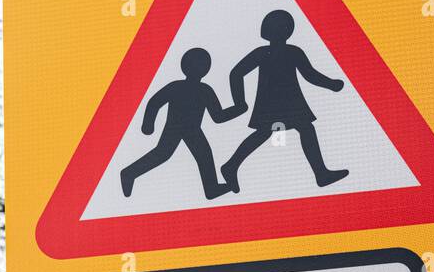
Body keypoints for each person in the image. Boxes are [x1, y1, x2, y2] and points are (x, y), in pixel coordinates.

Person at [221, 10, 349, 192]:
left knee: (292, 130)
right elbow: (236, 73)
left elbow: (309, 75)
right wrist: (240, 102)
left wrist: (331, 84)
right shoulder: (278, 52)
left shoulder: (285, 52)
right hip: (280, 103)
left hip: (287, 102)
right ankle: (231, 166)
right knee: (284, 131)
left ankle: (231, 166)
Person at [120, 48, 240, 200]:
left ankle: (211, 188)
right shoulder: (186, 87)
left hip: (191, 130)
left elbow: (218, 116)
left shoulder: (202, 90)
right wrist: (148, 124)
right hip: (175, 128)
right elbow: (155, 102)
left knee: (202, 155)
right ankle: (129, 173)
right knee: (164, 154)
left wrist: (237, 110)